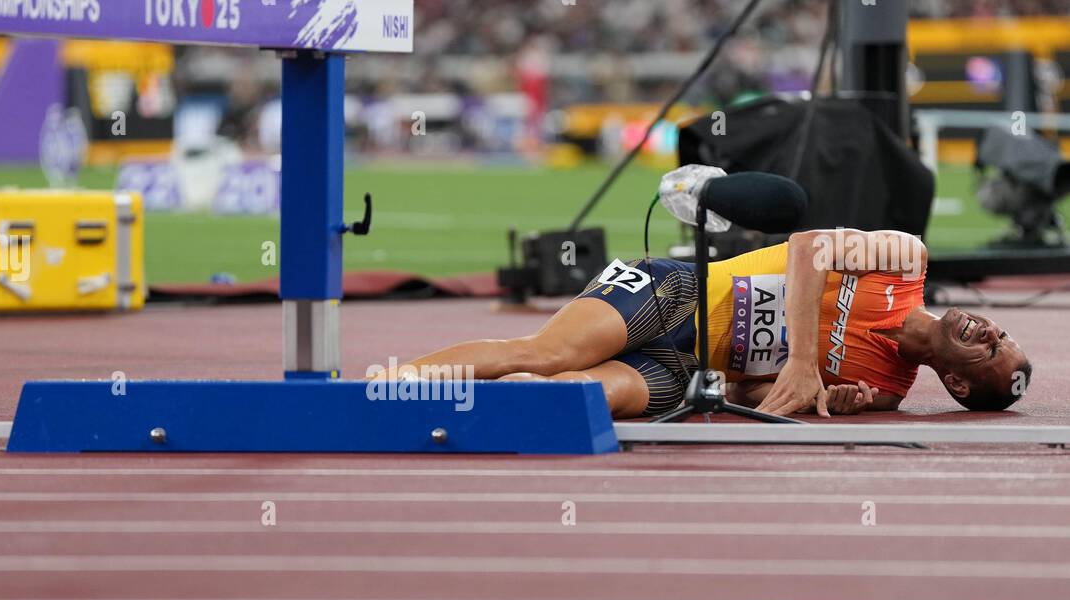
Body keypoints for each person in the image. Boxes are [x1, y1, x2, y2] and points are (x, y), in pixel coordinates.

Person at [384, 229, 1032, 419]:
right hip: (681, 292)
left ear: (959, 386)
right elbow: (809, 247)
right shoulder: (903, 259)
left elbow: (753, 396)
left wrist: (811, 399)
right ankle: (379, 388)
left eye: (994, 351)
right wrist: (806, 360)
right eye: (1003, 332)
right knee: (549, 352)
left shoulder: (883, 392)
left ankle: (463, 413)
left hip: (690, 372)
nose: (991, 331)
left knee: (580, 395)